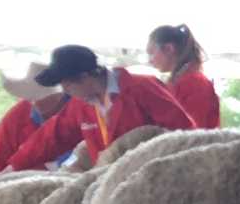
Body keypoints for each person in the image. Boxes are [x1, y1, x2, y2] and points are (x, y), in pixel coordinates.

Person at [37, 44, 193, 164]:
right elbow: (53, 137)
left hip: (150, 179)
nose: (65, 90)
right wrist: (13, 167)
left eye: (67, 84)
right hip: (109, 182)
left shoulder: (142, 88)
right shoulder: (81, 105)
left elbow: (183, 132)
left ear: (85, 77)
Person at [0, 77, 89, 178]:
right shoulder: (19, 115)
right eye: (30, 95)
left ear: (62, 93)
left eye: (41, 95)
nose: (34, 101)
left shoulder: (85, 109)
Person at [147, 25, 219, 128]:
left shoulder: (194, 83)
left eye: (151, 53)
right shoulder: (181, 81)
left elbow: (192, 131)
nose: (150, 60)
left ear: (168, 49)